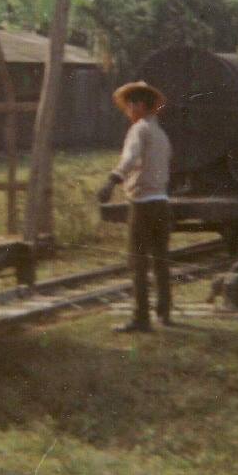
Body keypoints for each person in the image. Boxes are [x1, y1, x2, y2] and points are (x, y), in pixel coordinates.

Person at [97, 81, 173, 333]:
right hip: (162, 203)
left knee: (138, 262)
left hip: (142, 205)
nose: (127, 112)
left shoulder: (139, 130)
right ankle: (165, 311)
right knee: (161, 260)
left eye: (129, 107)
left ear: (139, 106)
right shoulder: (161, 134)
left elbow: (129, 159)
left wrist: (111, 181)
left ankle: (141, 318)